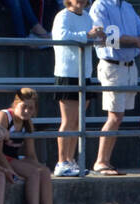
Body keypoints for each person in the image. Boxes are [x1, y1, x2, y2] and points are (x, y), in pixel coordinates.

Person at [0, 88, 70, 204]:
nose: (28, 110)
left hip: (13, 158)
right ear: (15, 104)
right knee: (33, 173)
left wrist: (40, 169)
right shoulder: (3, 116)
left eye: (31, 107)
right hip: (0, 159)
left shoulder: (27, 121)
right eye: (24, 106)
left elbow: (31, 154)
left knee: (44, 171)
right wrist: (9, 170)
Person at [90, 0, 140, 175]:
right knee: (114, 116)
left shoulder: (128, 6)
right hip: (112, 65)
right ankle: (100, 161)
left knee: (119, 116)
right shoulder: (100, 5)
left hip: (130, 66)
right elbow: (107, 37)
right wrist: (137, 41)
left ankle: (105, 161)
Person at [52, 0, 104, 176]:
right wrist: (87, 34)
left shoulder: (88, 17)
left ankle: (71, 160)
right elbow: (61, 37)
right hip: (67, 74)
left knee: (77, 122)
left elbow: (92, 39)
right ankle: (61, 162)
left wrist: (100, 36)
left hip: (85, 74)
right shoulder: (62, 16)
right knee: (67, 121)